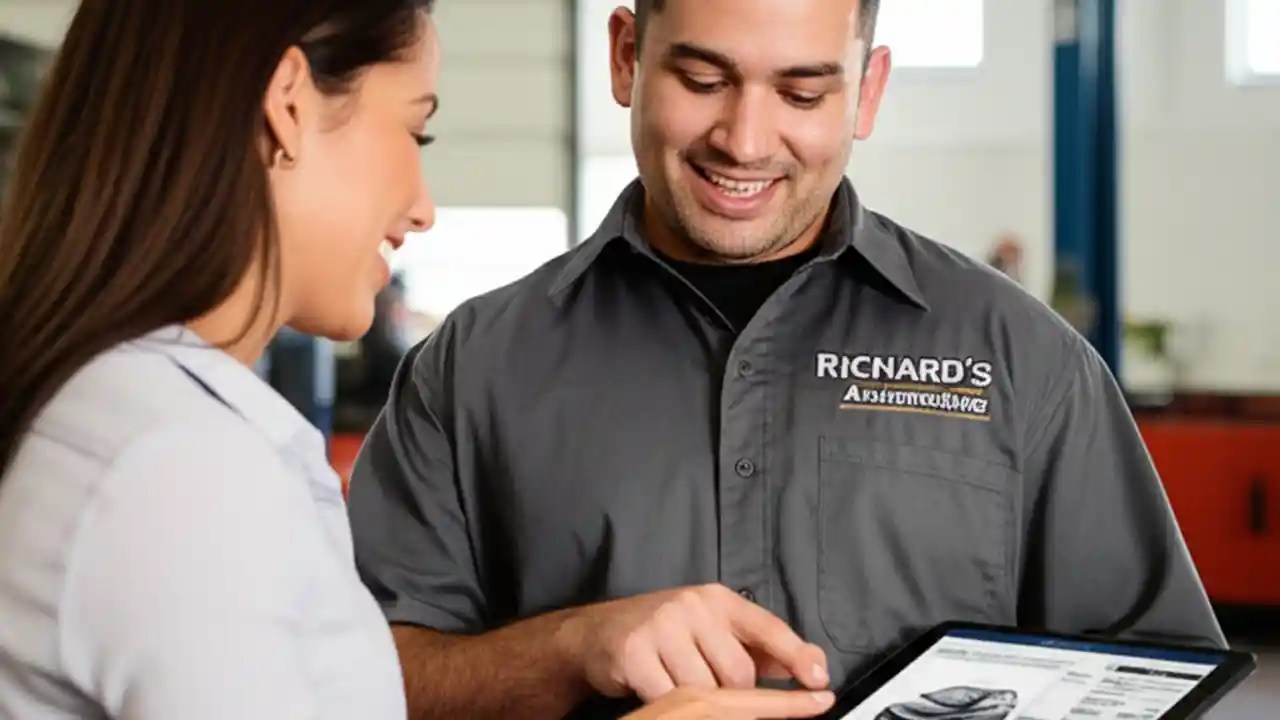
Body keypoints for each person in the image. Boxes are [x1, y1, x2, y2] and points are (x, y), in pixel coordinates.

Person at [346, 0, 1228, 718]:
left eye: (803, 94)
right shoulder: (474, 369)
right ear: (625, 57)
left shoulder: (1023, 362)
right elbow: (359, 683)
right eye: (703, 80)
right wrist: (571, 651)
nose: (746, 140)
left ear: (867, 92)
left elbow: (1153, 676)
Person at [0, 1, 833, 718]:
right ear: (288, 105)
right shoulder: (181, 470)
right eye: (415, 129)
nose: (423, 207)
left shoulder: (130, 424)